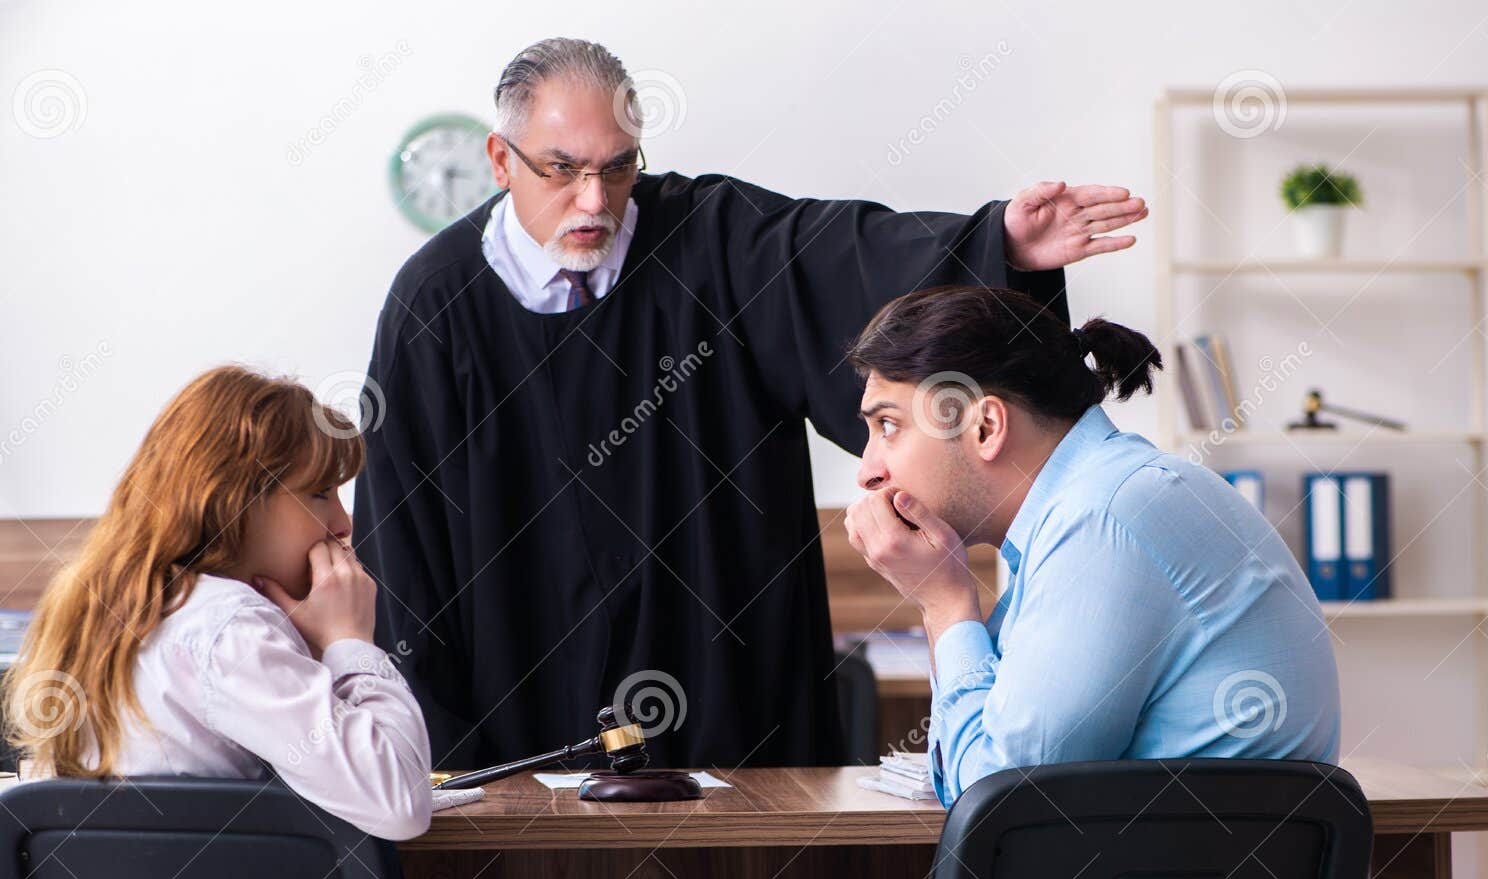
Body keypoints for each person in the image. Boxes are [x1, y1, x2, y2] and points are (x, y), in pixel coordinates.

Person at [356, 37, 1151, 773]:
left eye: (619, 168)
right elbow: (401, 541)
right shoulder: (435, 304)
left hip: (727, 689)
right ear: (501, 159)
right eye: (561, 170)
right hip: (516, 708)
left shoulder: (714, 243)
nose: (594, 200)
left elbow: (847, 261)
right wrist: (442, 753)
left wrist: (995, 248)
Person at [595, 285, 1339, 879]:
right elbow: (984, 777)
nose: (870, 469)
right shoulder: (1105, 504)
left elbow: (996, 797)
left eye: (886, 426)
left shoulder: (1106, 518)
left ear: (984, 424)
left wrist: (945, 601)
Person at [2, 365, 512, 879]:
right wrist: (348, 642)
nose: (343, 521)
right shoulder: (229, 626)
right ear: (236, 498)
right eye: (319, 492)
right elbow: (398, 802)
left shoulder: (98, 617)